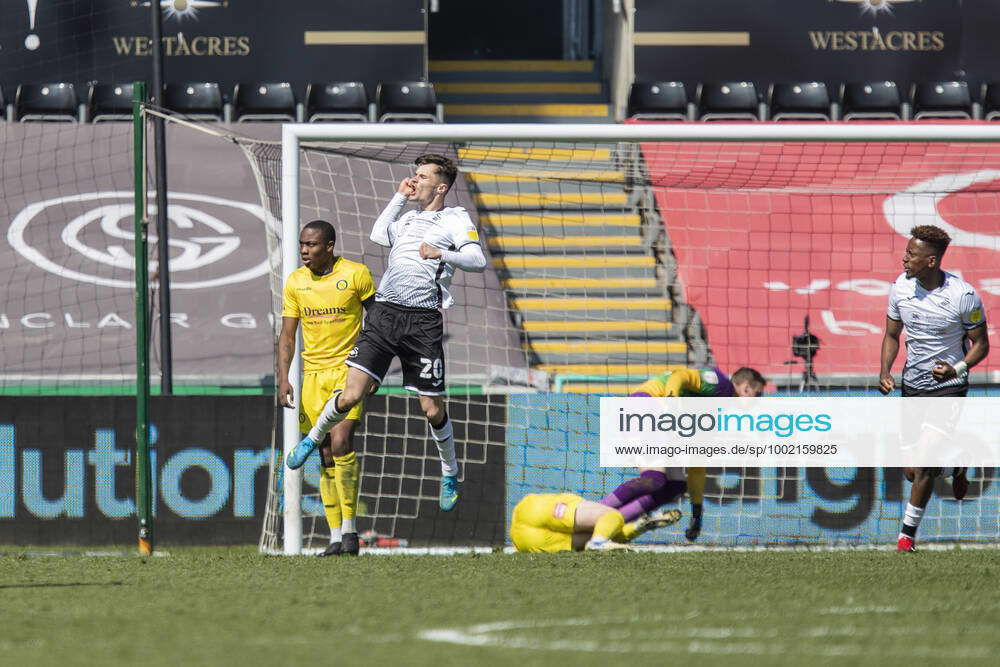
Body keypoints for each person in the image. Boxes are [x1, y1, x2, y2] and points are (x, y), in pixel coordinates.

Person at [286, 154, 486, 512]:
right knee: (349, 395)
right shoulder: (407, 217)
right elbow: (379, 234)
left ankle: (450, 471)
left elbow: (477, 260)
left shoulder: (455, 218)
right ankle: (313, 438)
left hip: (423, 321)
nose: (415, 179)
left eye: (422, 176)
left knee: (430, 408)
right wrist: (397, 197)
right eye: (415, 173)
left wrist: (440, 252)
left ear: (440, 187)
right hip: (385, 314)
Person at [879, 224, 988, 553]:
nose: (905, 258)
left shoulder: (963, 295)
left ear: (931, 261)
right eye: (906, 251)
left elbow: (981, 345)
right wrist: (885, 370)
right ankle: (957, 461)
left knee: (925, 462)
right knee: (913, 472)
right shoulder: (900, 288)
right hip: (913, 387)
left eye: (912, 254)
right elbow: (891, 335)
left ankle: (905, 539)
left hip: (949, 388)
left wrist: (956, 368)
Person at [278, 220, 375, 556]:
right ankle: (336, 536)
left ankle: (351, 531)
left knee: (341, 440)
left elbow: (376, 325)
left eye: (312, 245)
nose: (305, 251)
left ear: (329, 246)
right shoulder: (295, 282)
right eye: (302, 245)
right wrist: (283, 377)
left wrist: (372, 370)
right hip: (312, 377)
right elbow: (288, 335)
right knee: (324, 455)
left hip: (348, 372)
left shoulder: (357, 275)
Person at [600, 366, 767, 541]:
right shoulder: (719, 384)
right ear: (746, 387)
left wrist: (697, 511)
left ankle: (606, 526)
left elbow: (696, 465)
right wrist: (672, 401)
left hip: (654, 416)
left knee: (675, 486)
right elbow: (679, 375)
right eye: (758, 394)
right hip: (647, 406)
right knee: (655, 479)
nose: (759, 400)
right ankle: (596, 515)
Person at [510, 492, 683, 553]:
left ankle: (640, 525)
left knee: (604, 534)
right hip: (535, 513)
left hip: (525, 542)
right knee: (613, 516)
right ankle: (599, 542)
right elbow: (610, 516)